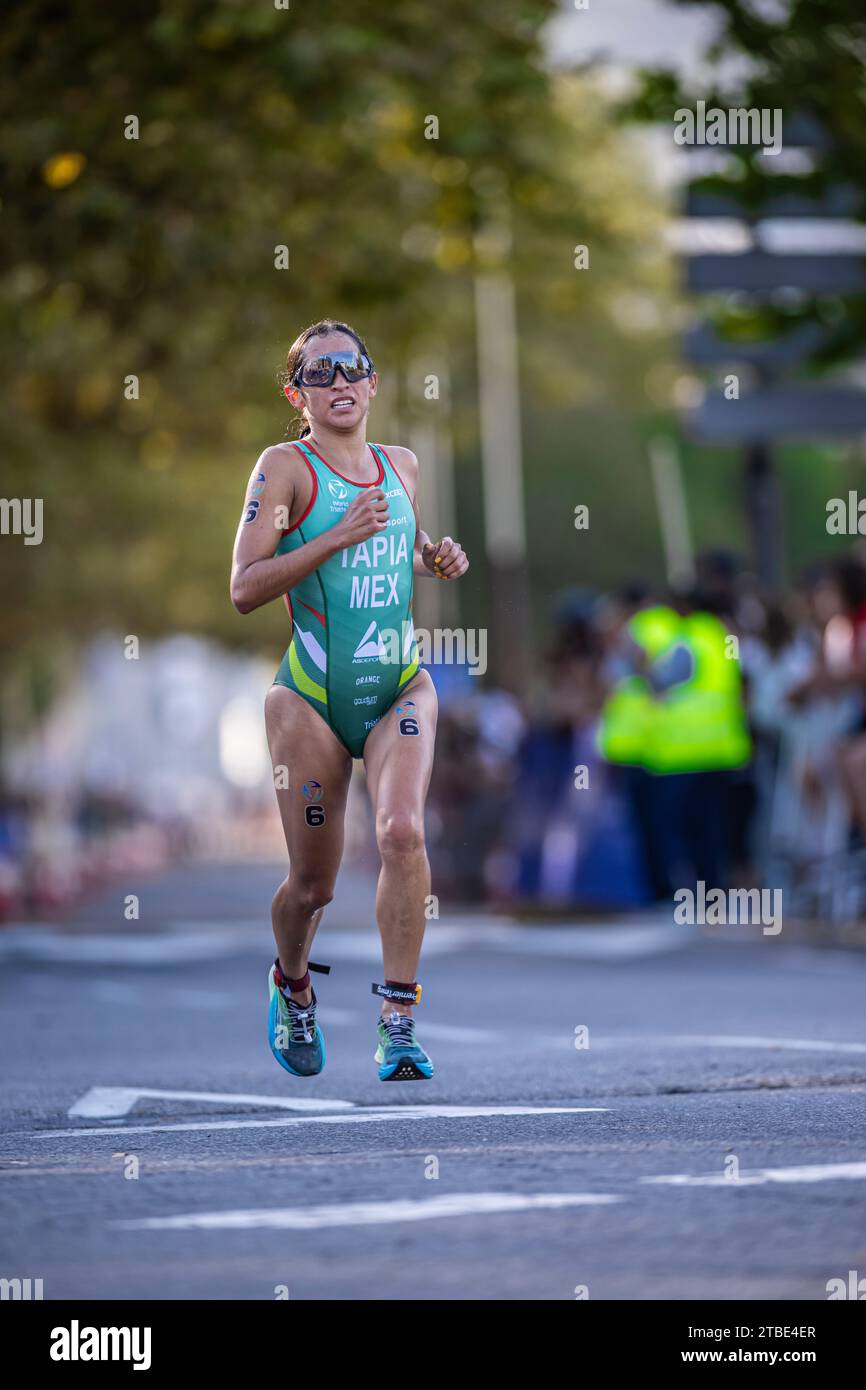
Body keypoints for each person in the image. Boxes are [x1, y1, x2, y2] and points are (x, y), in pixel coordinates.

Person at [230, 320, 469, 1081]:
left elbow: (400, 542)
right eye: (318, 372)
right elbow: (243, 587)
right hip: (309, 701)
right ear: (298, 394)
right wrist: (330, 538)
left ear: (373, 383)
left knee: (401, 831)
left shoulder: (401, 465)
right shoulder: (284, 469)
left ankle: (398, 1021)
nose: (338, 383)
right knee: (314, 885)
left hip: (399, 684)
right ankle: (293, 986)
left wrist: (436, 557)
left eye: (351, 368)